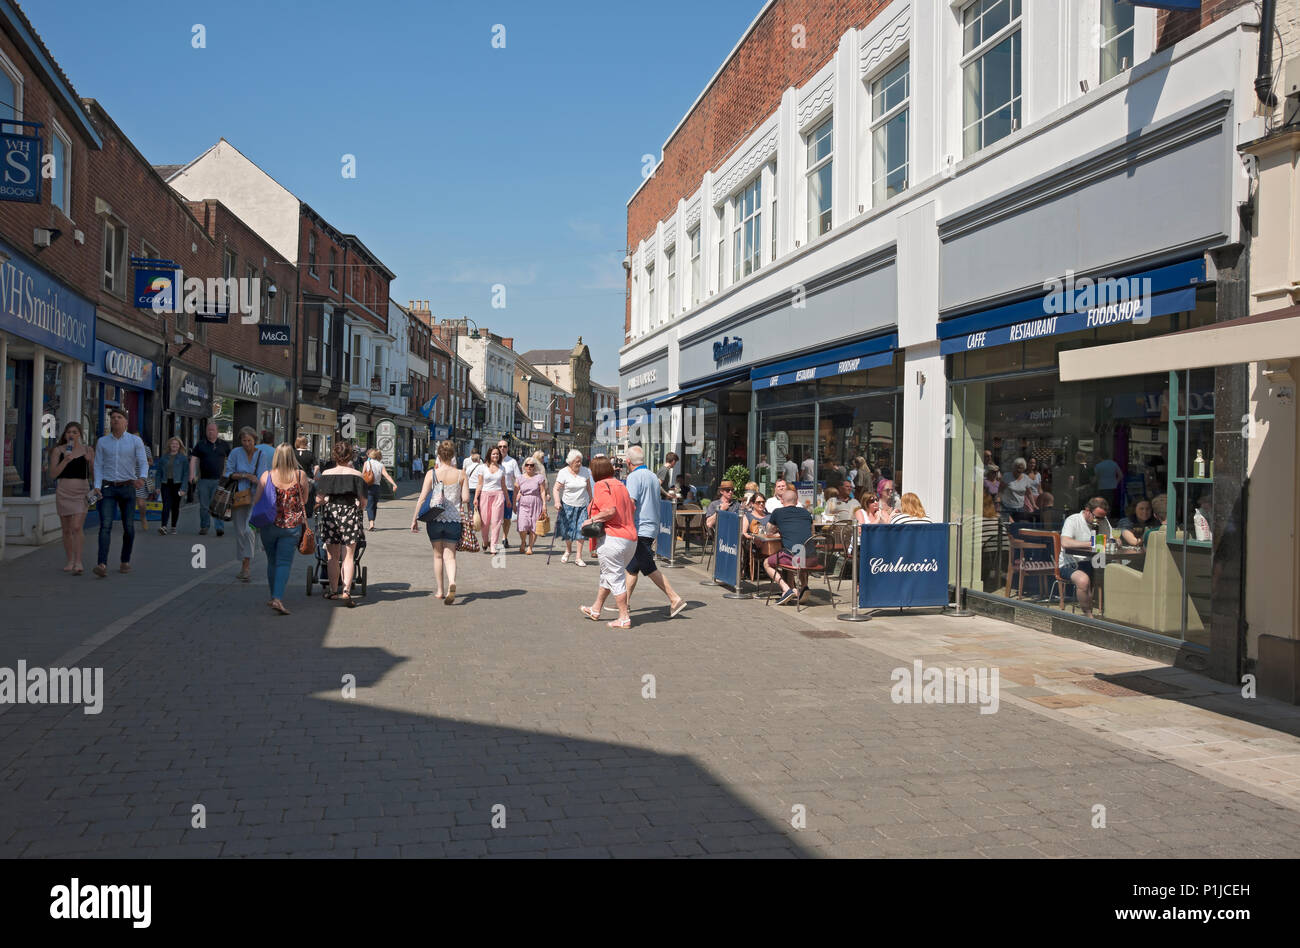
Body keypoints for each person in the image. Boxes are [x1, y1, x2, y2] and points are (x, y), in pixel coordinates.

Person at [623, 445, 687, 617]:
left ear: (628, 462)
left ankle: (675, 599)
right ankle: (624, 604)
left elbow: (631, 503)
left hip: (640, 527)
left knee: (648, 567)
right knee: (632, 567)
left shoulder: (634, 477)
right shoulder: (652, 475)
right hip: (651, 526)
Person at [579, 455, 639, 629]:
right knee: (608, 574)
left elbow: (610, 510)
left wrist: (591, 520)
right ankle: (596, 608)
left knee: (615, 576)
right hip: (630, 537)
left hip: (613, 537)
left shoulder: (600, 485)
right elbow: (632, 507)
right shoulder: (620, 484)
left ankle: (624, 617)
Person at [250, 443, 308, 616]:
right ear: (292, 456)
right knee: (284, 562)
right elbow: (304, 500)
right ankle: (277, 597)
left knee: (272, 561)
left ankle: (274, 595)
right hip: (291, 526)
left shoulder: (266, 475)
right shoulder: (300, 475)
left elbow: (257, 500)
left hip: (269, 525)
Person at [91, 406, 149, 578]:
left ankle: (125, 560)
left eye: (119, 417)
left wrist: (142, 478)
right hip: (108, 487)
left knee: (129, 527)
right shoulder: (103, 442)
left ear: (126, 421)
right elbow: (98, 465)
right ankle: (102, 564)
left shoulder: (134, 441)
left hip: (128, 487)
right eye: (113, 417)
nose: (115, 420)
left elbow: (143, 462)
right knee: (105, 525)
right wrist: (97, 485)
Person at [411, 440, 469, 604]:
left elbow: (422, 498)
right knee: (450, 556)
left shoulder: (432, 474)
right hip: (454, 520)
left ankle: (440, 590)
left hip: (434, 517)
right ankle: (452, 582)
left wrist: (414, 519)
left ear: (438, 456)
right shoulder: (461, 473)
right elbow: (465, 498)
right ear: (453, 456)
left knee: (437, 556)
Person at [316, 440, 367, 607]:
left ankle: (332, 590)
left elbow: (319, 499)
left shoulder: (326, 474)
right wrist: (357, 505)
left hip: (331, 514)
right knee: (349, 556)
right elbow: (363, 502)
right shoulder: (357, 475)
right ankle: (346, 591)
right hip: (350, 513)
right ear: (350, 456)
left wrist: (327, 500)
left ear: (335, 455)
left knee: (332, 556)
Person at [48, 421, 93, 574]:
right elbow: (53, 474)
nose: (71, 435)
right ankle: (70, 560)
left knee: (76, 527)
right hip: (64, 492)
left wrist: (90, 460)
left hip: (81, 492)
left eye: (74, 432)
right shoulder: (58, 450)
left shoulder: (88, 449)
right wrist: (66, 460)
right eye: (69, 432)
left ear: (80, 434)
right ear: (65, 434)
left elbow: (93, 474)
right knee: (67, 529)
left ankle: (79, 561)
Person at [1058, 496, 1110, 619]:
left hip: (1094, 561)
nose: (1100, 521)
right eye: (1097, 517)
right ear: (1087, 510)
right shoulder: (1073, 520)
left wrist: (1115, 541)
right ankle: (1088, 615)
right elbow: (1065, 542)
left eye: (1102, 518)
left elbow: (1111, 538)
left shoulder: (1103, 520)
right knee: (1083, 581)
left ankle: (1110, 614)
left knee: (1114, 575)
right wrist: (1091, 544)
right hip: (1070, 562)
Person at [225, 426, 265, 583]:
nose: (246, 443)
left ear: (255, 440)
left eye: (249, 440)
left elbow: (264, 475)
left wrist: (258, 479)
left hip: (255, 496)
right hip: (239, 496)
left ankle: (247, 566)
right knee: (240, 531)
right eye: (244, 440)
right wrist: (244, 475)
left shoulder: (260, 454)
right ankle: (243, 564)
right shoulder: (235, 453)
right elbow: (228, 473)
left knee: (249, 530)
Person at [762, 488, 815, 606]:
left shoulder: (777, 512)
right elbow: (812, 532)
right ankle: (804, 586)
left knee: (767, 563)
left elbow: (769, 531)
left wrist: (780, 530)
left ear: (782, 501)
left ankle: (786, 589)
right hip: (812, 559)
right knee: (800, 555)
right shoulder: (806, 512)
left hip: (793, 557)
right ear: (797, 501)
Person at [554, 449, 595, 566]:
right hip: (567, 505)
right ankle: (568, 550)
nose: (579, 463)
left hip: (582, 505)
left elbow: (588, 487)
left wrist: (592, 501)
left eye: (580, 461)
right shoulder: (563, 472)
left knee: (581, 531)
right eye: (577, 461)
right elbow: (556, 489)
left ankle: (578, 557)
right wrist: (557, 502)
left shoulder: (585, 471)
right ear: (570, 462)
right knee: (568, 531)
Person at [190, 422, 230, 537]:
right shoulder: (201, 444)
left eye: (212, 430)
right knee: (204, 506)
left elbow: (230, 460)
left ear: (217, 431)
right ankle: (204, 526)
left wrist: (227, 475)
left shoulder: (223, 445)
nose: (210, 432)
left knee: (218, 505)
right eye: (208, 430)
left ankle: (219, 528)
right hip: (203, 480)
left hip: (219, 480)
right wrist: (191, 474)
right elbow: (193, 459)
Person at [475, 446, 508, 552]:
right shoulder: (482, 467)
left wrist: (507, 499)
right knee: (484, 522)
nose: (495, 456)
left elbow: (503, 485)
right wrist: (476, 498)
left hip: (498, 495)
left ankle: (493, 545)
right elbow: (479, 484)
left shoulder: (502, 468)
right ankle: (485, 540)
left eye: (497, 454)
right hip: (485, 495)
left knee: (496, 522)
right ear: (489, 455)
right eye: (493, 454)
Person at [153, 437, 188, 535]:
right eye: (173, 444)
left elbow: (186, 474)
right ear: (169, 445)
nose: (174, 445)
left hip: (177, 484)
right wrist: (157, 486)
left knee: (175, 506)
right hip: (166, 484)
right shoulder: (164, 458)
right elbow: (158, 473)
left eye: (176, 444)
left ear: (179, 446)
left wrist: (183, 488)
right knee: (166, 505)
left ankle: (173, 526)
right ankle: (163, 526)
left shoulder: (183, 458)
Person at [513, 457, 548, 554]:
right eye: (527, 465)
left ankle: (530, 547)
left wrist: (544, 504)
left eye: (531, 465)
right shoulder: (520, 478)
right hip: (523, 502)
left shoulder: (539, 477)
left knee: (534, 526)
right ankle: (523, 542)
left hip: (536, 502)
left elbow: (542, 491)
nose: (529, 467)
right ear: (524, 466)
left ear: (535, 467)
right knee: (522, 525)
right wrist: (513, 504)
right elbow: (515, 491)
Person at [362, 448, 398, 531]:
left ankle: (371, 523)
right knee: (374, 505)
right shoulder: (380, 465)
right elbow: (387, 475)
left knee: (369, 505)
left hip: (368, 486)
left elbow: (362, 474)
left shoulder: (366, 463)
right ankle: (372, 522)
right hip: (377, 487)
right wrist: (394, 484)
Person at [496, 439, 521, 548]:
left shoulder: (512, 462)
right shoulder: (492, 461)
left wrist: (518, 493)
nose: (502, 448)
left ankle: (504, 537)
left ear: (508, 448)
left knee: (507, 518)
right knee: (495, 518)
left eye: (505, 446)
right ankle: (494, 538)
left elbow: (518, 478)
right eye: (500, 446)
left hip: (509, 492)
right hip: (495, 492)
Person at [1093, 450, 1123, 514]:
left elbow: (1096, 478)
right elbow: (1121, 475)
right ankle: (1108, 516)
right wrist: (1115, 483)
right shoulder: (1114, 464)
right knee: (1109, 504)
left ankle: (1102, 516)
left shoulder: (1098, 466)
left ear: (1100, 457)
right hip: (1112, 487)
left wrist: (1092, 483)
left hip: (1102, 487)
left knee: (1101, 504)